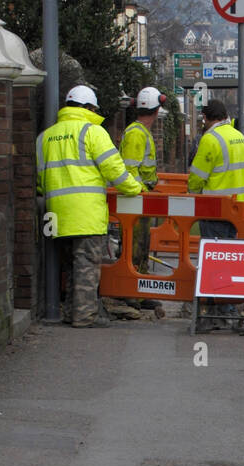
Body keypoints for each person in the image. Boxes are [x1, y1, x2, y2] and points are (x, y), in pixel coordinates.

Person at [37, 85, 145, 328]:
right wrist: (135, 188)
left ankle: (69, 313)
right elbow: (115, 170)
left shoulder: (45, 136)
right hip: (85, 213)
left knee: (69, 265)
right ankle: (84, 317)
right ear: (89, 108)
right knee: (86, 266)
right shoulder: (93, 132)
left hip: (54, 214)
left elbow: (39, 179)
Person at [186, 99, 244, 331]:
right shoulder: (238, 137)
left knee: (214, 262)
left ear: (206, 118)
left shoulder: (210, 139)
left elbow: (197, 175)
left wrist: (192, 192)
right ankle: (227, 308)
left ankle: (219, 309)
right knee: (227, 257)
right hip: (237, 209)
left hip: (215, 208)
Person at [119, 86, 167, 286]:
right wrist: (141, 191)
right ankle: (134, 290)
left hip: (141, 197)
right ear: (156, 111)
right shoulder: (137, 134)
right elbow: (130, 169)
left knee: (141, 245)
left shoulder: (139, 132)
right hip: (136, 199)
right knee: (135, 248)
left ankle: (140, 286)